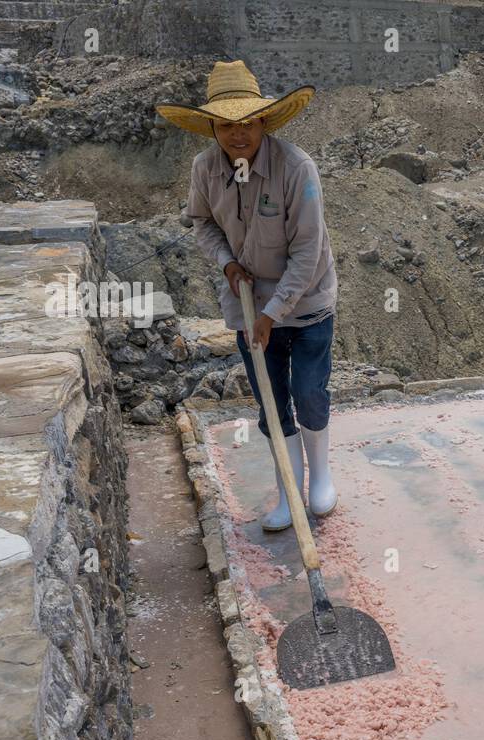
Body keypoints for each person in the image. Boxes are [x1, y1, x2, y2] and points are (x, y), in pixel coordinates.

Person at [156, 60, 339, 530]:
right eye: (225, 125)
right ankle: (287, 495)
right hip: (248, 302)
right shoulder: (205, 168)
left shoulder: (297, 168)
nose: (237, 134)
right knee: (271, 402)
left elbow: (307, 247)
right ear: (213, 127)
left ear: (263, 121)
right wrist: (228, 264)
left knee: (309, 393)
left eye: (247, 123)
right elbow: (204, 224)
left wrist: (274, 312)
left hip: (308, 300)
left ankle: (319, 478)